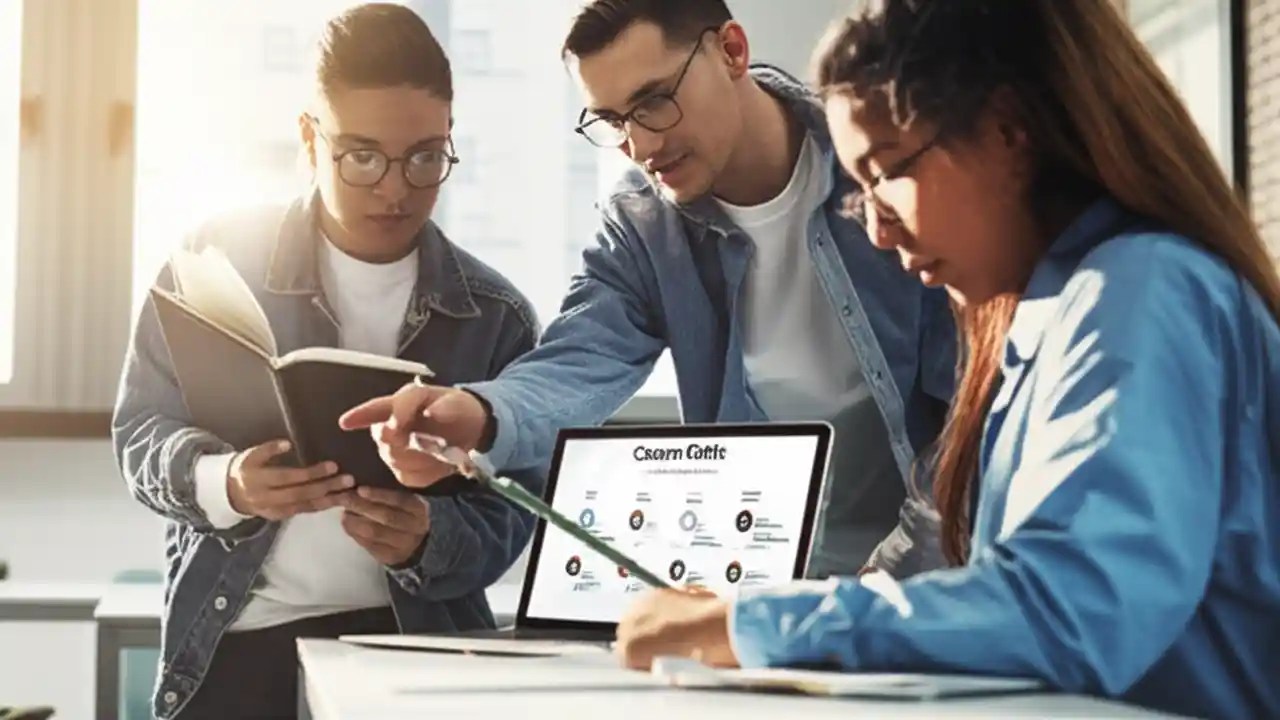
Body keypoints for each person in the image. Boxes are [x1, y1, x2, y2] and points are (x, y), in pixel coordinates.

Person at [608, 1, 1280, 719]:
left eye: (887, 174)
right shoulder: (1045, 315)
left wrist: (748, 623)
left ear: (1007, 131)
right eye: (856, 193)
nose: (874, 224)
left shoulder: (1142, 290)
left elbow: (1075, 609)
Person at [341, 0, 958, 581]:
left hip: (927, 584)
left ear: (732, 51)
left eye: (656, 101)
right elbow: (581, 358)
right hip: (754, 589)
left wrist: (877, 589)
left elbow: (968, 422)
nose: (641, 146)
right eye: (613, 121)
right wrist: (478, 414)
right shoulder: (643, 222)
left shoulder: (881, 170)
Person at [111, 5, 542, 718]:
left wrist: (429, 539)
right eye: (363, 156)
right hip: (241, 639)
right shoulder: (209, 264)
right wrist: (229, 484)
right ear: (310, 138)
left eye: (426, 156)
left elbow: (511, 512)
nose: (397, 188)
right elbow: (139, 436)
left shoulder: (497, 317)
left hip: (416, 648)